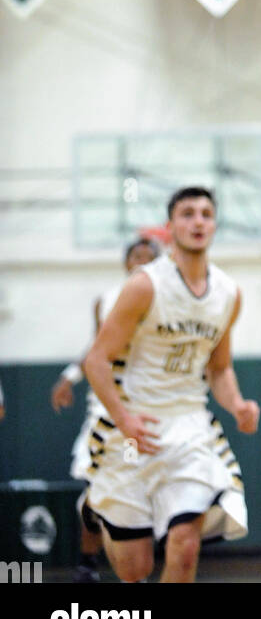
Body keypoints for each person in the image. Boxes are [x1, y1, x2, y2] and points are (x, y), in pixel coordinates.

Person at [84, 187, 259, 583]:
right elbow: (96, 360)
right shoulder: (145, 285)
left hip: (188, 427)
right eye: (187, 214)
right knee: (136, 567)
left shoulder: (229, 293)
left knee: (185, 542)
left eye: (206, 214)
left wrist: (237, 404)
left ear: (214, 224)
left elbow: (219, 368)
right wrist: (124, 419)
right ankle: (102, 507)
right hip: (131, 428)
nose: (198, 221)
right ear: (169, 227)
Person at [51, 236, 161, 582]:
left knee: (143, 494)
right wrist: (69, 376)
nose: (141, 261)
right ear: (126, 262)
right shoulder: (109, 300)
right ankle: (88, 563)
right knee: (95, 494)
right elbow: (95, 346)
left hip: (151, 412)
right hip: (108, 412)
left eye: (148, 256)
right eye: (135, 256)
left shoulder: (171, 299)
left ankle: (139, 567)